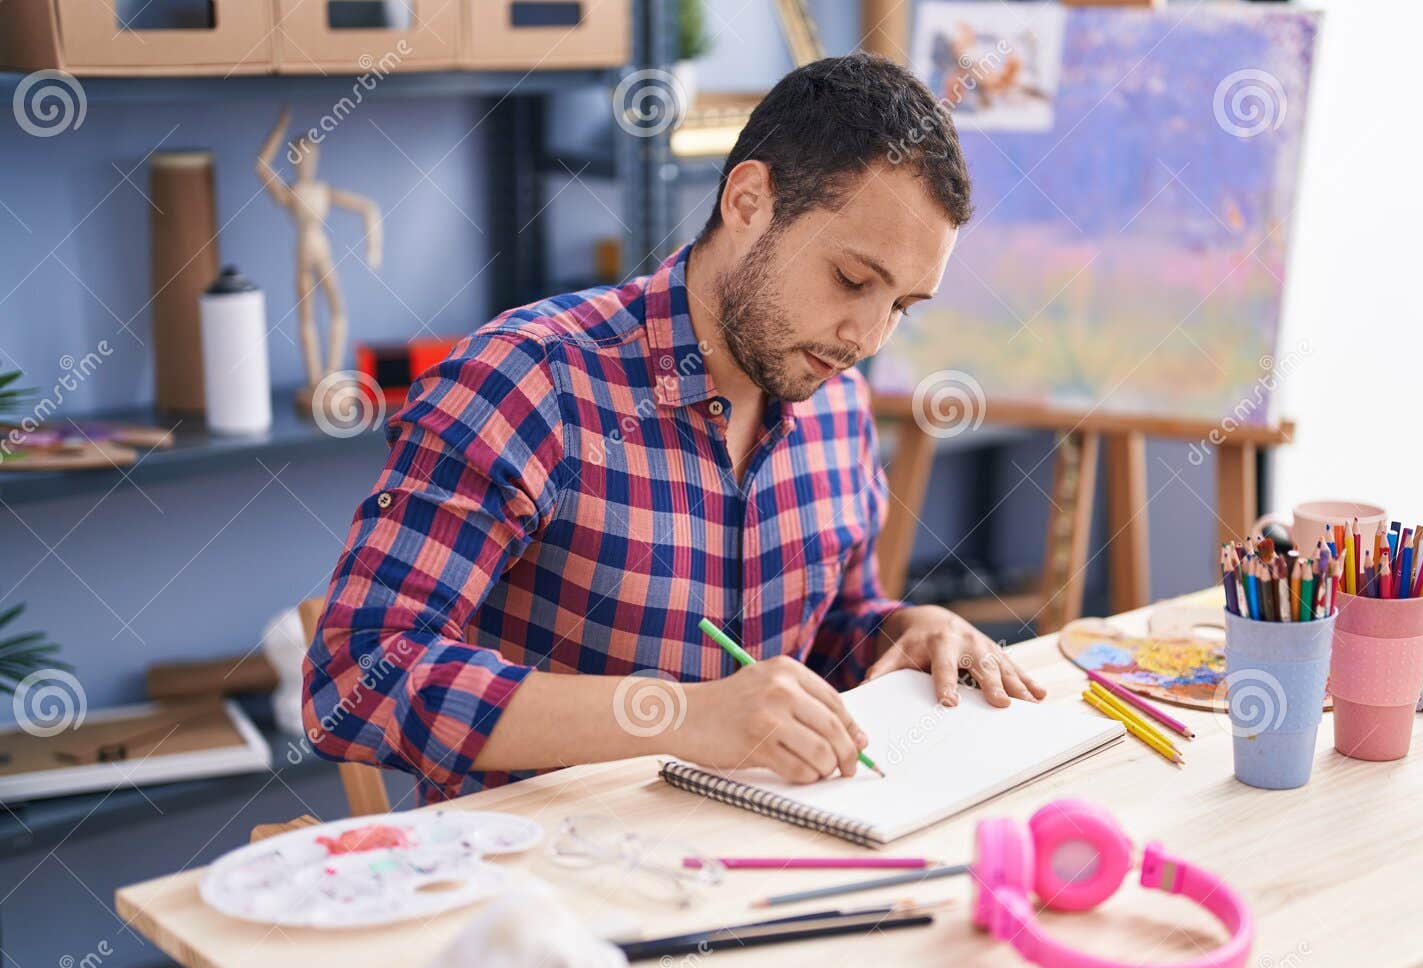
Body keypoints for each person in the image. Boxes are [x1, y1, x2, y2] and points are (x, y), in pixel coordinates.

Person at [304, 54, 1045, 803]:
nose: (867, 336)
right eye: (852, 280)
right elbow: (357, 676)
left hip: (758, 854)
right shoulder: (529, 380)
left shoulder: (837, 403)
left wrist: (904, 632)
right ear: (749, 202)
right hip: (546, 866)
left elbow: (827, 631)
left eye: (902, 306)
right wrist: (676, 716)